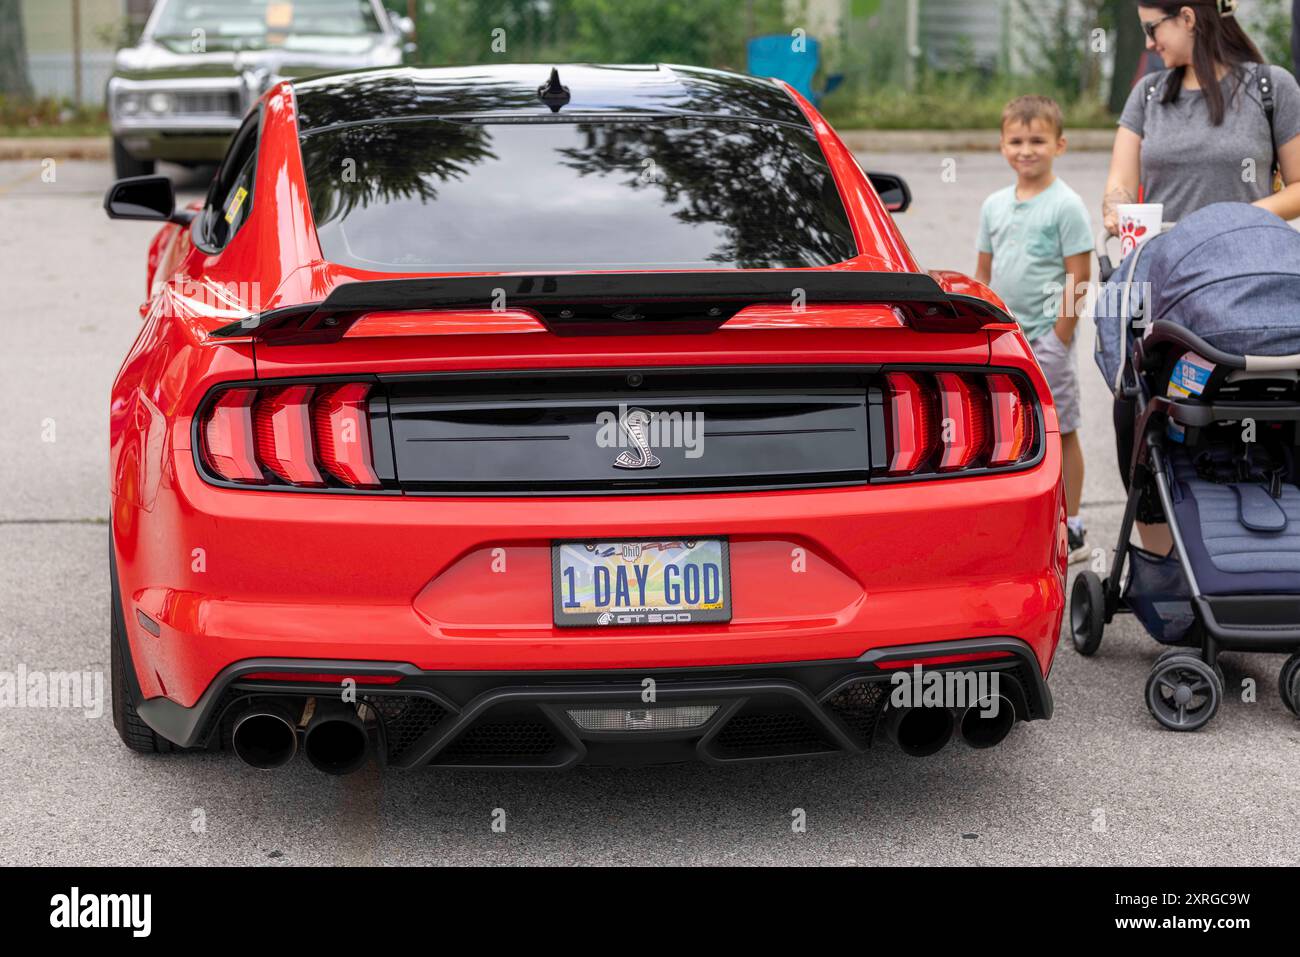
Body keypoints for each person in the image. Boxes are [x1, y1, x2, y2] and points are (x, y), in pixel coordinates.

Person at [1104, 0, 1300, 554]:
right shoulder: (1147, 95)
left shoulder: (1269, 88)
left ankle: (1270, 542)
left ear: (1188, 17)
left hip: (1246, 283)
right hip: (1169, 285)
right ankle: (1165, 559)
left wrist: (1228, 220)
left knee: (1268, 406)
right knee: (1135, 406)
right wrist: (1115, 207)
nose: (1148, 44)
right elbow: (1119, 182)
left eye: (1152, 28)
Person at [977, 95, 1094, 563]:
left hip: (1047, 336)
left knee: (1062, 427)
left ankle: (1074, 522)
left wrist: (1060, 337)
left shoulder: (1066, 206)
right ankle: (1017, 519)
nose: (1026, 150)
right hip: (1005, 335)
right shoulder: (993, 205)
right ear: (1003, 146)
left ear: (1060, 145)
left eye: (1038, 141)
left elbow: (1078, 275)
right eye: (1017, 141)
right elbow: (982, 273)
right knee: (1008, 428)